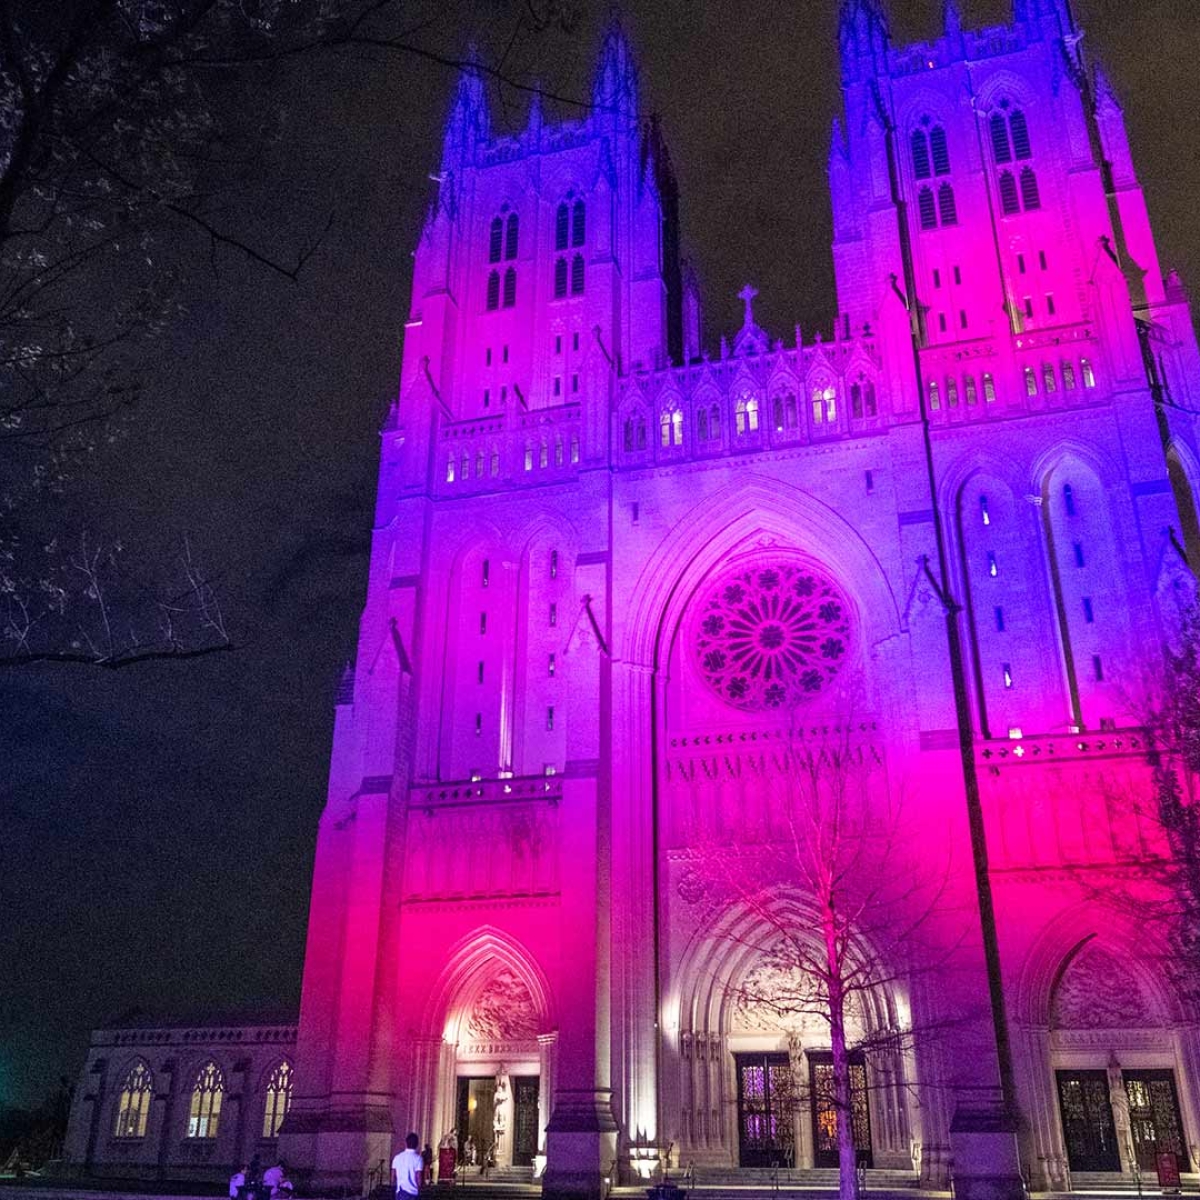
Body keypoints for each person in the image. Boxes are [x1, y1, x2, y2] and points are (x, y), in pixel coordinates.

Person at [392, 1131, 424, 1198]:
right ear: (417, 1144)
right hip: (413, 1192)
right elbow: (418, 1177)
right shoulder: (418, 1159)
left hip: (400, 1191)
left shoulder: (397, 1157)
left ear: (406, 1143)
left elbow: (393, 1176)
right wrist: (420, 1189)